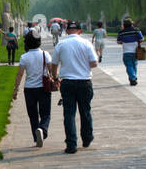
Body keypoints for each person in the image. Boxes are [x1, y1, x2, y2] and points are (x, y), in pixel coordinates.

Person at [49, 19, 98, 152]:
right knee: (85, 111)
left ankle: (71, 144)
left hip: (68, 82)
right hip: (84, 81)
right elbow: (94, 63)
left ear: (66, 30)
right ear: (80, 31)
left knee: (69, 113)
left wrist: (55, 78)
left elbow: (54, 64)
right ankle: (87, 138)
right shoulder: (86, 43)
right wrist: (83, 65)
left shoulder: (61, 45)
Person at [12, 29, 52, 147]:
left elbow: (20, 74)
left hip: (29, 89)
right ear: (39, 42)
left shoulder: (24, 57)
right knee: (45, 114)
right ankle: (42, 130)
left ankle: (36, 137)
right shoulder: (46, 54)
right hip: (43, 88)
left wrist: (15, 89)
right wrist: (55, 79)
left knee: (33, 115)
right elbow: (51, 70)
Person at [116, 17, 145, 86]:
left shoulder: (121, 32)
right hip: (136, 51)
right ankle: (133, 78)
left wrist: (124, 41)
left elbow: (118, 42)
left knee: (129, 65)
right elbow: (141, 39)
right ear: (131, 24)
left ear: (124, 25)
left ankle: (132, 78)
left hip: (126, 51)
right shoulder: (136, 31)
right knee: (134, 65)